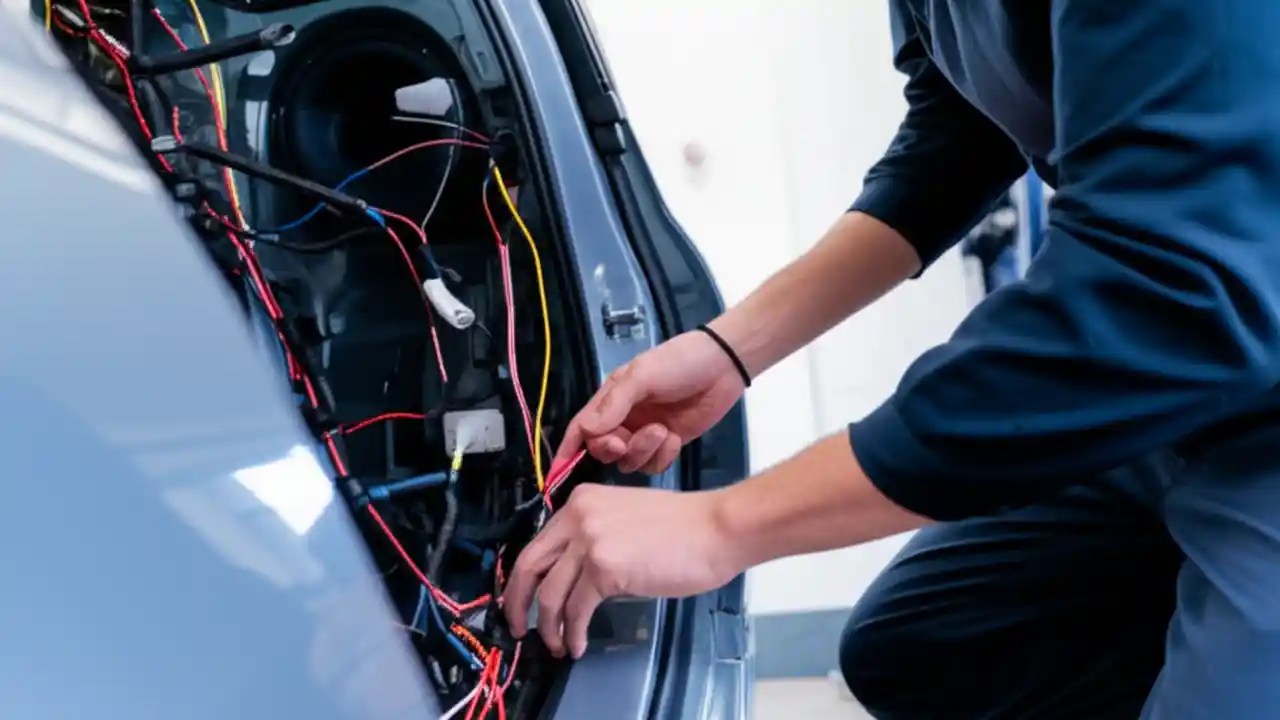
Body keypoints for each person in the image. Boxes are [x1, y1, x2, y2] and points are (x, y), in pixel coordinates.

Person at [502, 1, 1280, 717]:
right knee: (925, 647)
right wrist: (729, 349)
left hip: (1240, 380)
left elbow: (1160, 287)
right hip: (1184, 385)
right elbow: (960, 134)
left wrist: (719, 527)